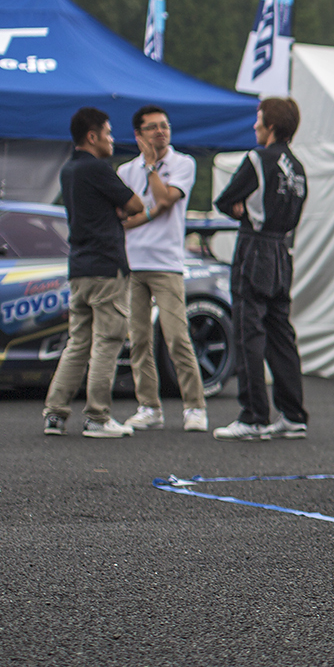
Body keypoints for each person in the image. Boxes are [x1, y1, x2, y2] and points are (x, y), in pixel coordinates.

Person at [42, 107, 145, 438]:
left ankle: (55, 414)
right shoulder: (99, 169)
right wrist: (117, 207)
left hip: (80, 267)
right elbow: (135, 205)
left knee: (78, 343)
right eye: (108, 132)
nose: (112, 139)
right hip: (106, 268)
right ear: (92, 136)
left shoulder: (69, 170)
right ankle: (98, 417)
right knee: (108, 341)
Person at [212, 97, 309, 441]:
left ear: (271, 126)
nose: (254, 126)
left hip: (255, 248)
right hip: (282, 250)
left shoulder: (258, 158)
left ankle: (253, 416)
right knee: (281, 334)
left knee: (248, 331)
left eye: (258, 120)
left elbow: (224, 200)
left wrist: (242, 211)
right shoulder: (297, 166)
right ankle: (293, 414)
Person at [117, 106, 210, 433]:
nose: (160, 132)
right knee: (139, 339)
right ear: (138, 134)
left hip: (166, 262)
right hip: (133, 262)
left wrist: (154, 166)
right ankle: (148, 406)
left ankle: (195, 406)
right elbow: (123, 216)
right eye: (152, 128)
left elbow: (165, 200)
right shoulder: (126, 170)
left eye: (165, 126)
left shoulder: (182, 163)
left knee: (176, 337)